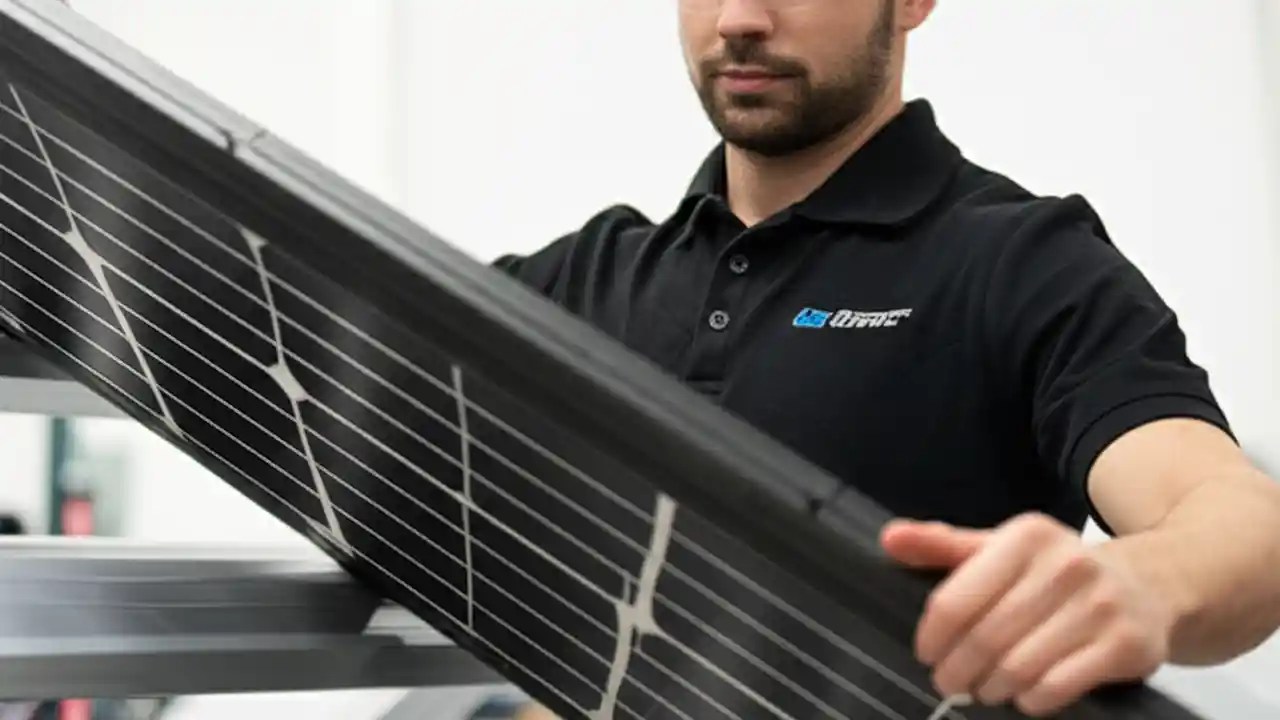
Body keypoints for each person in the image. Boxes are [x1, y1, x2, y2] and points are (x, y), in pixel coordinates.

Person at [495, 0, 1280, 716]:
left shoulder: (1020, 263)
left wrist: (1145, 583)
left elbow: (1240, 519)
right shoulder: (583, 279)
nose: (738, 17)